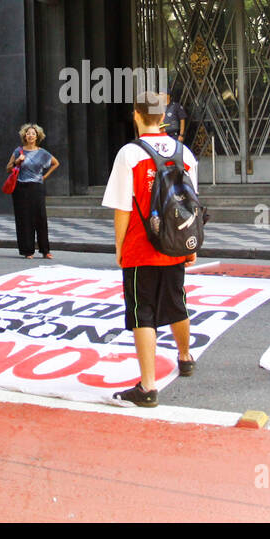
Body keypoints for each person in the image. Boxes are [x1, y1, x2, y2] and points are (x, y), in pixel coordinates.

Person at [101, 93, 198, 407]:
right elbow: (192, 203)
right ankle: (185, 356)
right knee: (176, 297)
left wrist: (119, 246)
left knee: (143, 312)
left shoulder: (129, 153)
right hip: (176, 242)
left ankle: (148, 386)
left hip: (141, 245)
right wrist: (191, 243)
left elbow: (121, 208)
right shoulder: (185, 152)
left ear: (136, 115)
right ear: (165, 118)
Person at [7, 122, 59, 259]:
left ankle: (45, 250)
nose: (30, 135)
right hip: (20, 187)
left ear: (37, 136)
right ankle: (27, 250)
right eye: (28, 133)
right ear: (24, 135)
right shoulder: (18, 151)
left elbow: (55, 163)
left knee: (40, 217)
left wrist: (44, 176)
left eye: (33, 134)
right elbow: (8, 168)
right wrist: (17, 161)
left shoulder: (42, 153)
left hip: (36, 186)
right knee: (24, 219)